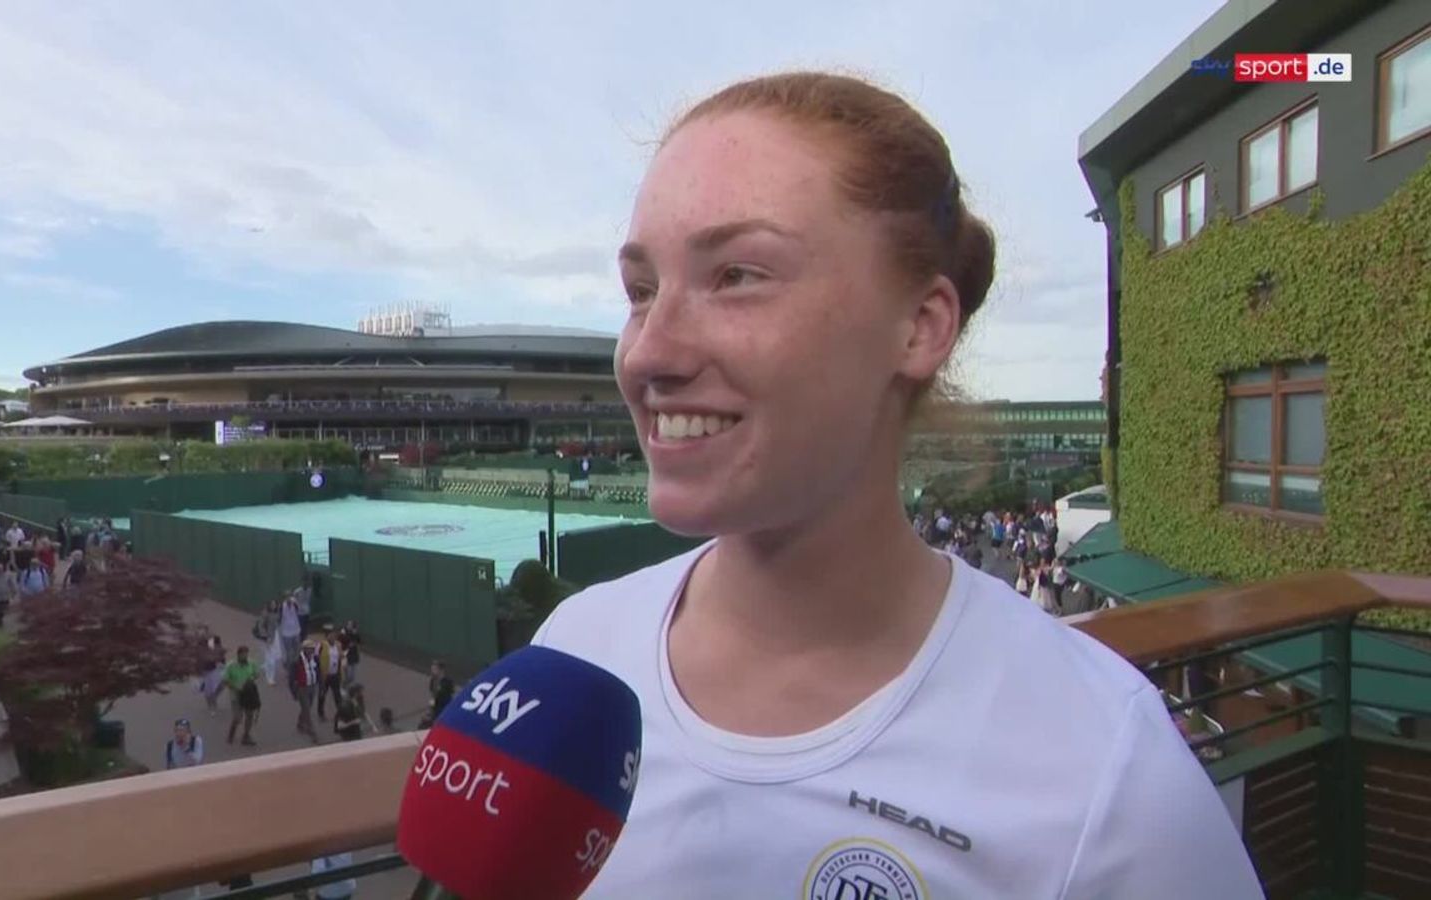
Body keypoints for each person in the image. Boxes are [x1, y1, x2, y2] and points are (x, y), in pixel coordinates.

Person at [526, 72, 1261, 896]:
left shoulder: (1107, 774)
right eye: (641, 291)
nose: (648, 354)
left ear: (919, 326)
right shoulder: (575, 650)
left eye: (736, 275)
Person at [223, 646, 261, 746]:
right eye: (243, 654)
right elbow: (225, 680)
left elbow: (257, 674)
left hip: (248, 694)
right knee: (237, 717)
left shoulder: (251, 663)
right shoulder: (231, 666)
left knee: (249, 715)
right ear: (238, 655)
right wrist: (236, 687)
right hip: (236, 694)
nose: (245, 656)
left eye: (246, 654)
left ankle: (246, 736)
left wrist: (250, 680)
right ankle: (231, 733)